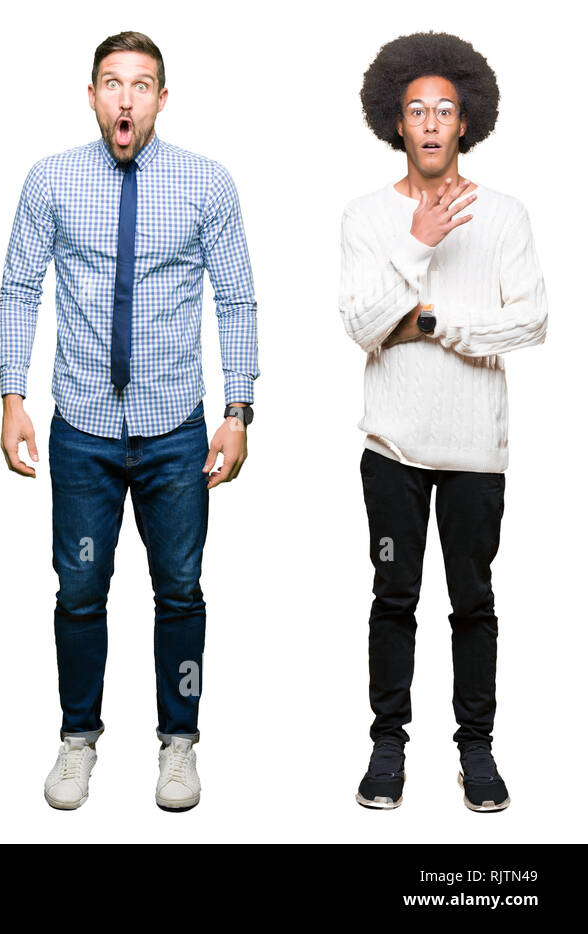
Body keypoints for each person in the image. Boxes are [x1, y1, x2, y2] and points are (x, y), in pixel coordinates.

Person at [0, 31, 259, 811]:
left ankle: (180, 743)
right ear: (91, 95)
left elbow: (237, 297)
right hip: (82, 429)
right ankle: (78, 739)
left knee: (179, 589)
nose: (125, 98)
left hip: (177, 430)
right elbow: (19, 288)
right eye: (111, 83)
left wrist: (238, 409)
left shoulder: (206, 183)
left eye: (141, 85)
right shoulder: (51, 181)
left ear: (161, 100)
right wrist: (12, 394)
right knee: (79, 589)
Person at [341, 32, 547, 812]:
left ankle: (477, 749)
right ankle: (388, 745)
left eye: (445, 110)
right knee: (394, 595)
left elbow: (531, 324)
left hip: (475, 453)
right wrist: (418, 245)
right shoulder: (366, 217)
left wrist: (430, 321)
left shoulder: (505, 215)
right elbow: (362, 326)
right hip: (392, 446)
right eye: (416, 110)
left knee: (474, 601)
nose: (430, 122)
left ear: (467, 122)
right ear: (396, 123)